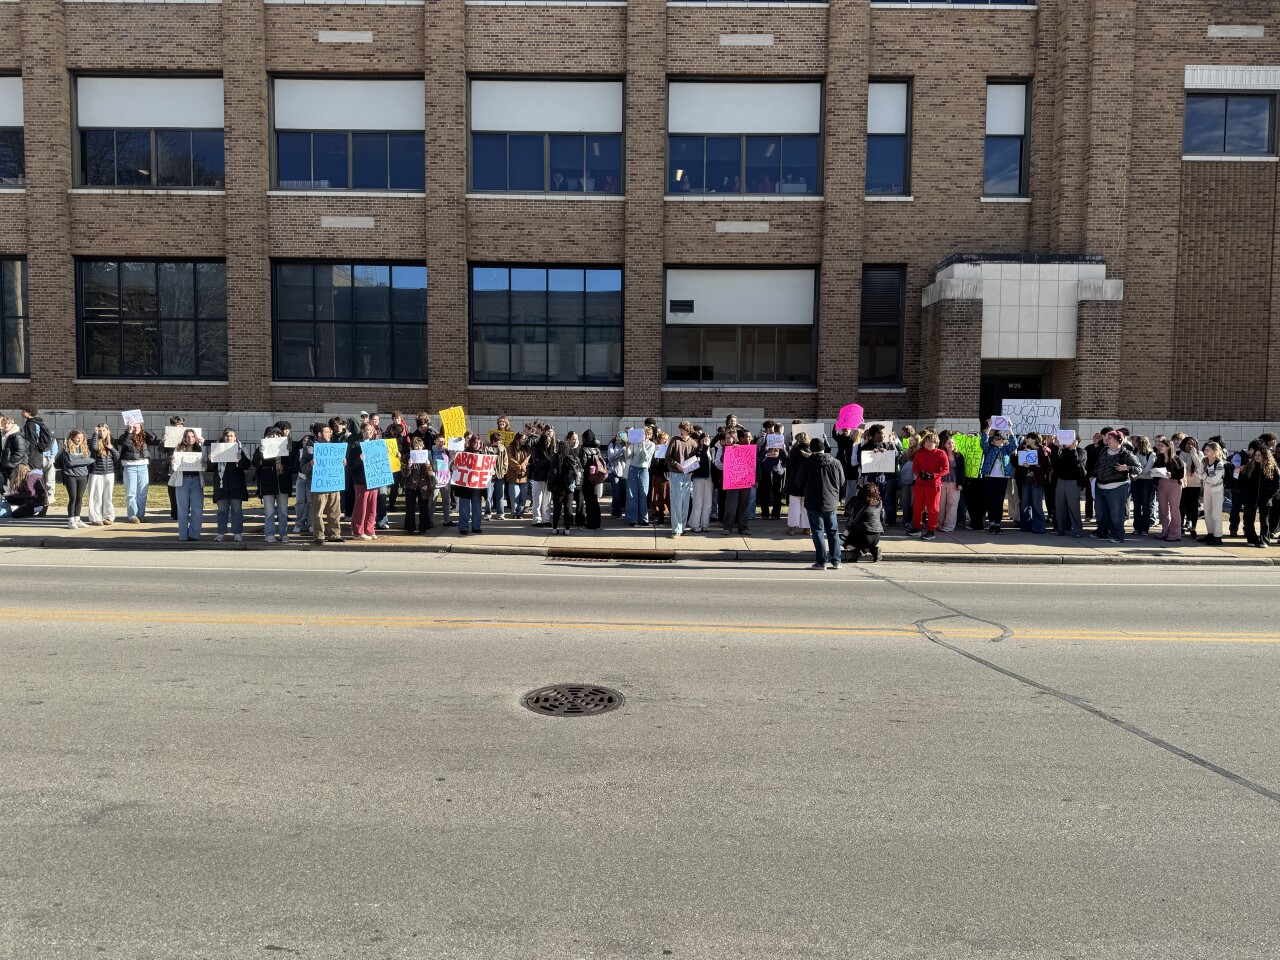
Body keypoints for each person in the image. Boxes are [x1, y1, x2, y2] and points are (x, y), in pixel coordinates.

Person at [1093, 430, 1141, 543]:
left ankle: (1118, 536)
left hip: (1117, 488)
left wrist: (1128, 468)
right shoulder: (1104, 450)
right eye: (1107, 438)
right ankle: (1102, 532)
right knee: (1100, 512)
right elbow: (1098, 465)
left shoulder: (1126, 454)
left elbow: (1139, 468)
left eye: (1110, 438)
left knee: (1116, 514)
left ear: (1118, 441)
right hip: (1100, 486)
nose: (1107, 440)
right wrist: (1093, 475)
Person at [804, 436, 844, 569]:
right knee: (833, 531)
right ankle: (836, 560)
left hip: (813, 502)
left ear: (811, 449)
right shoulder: (835, 462)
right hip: (831, 501)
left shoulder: (808, 462)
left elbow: (798, 481)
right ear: (824, 448)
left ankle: (821, 561)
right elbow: (842, 481)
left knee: (817, 531)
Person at [301, 424, 343, 544]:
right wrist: (310, 464)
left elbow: (337, 465)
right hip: (319, 485)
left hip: (333, 483)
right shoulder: (309, 448)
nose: (330, 434)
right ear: (319, 434)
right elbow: (302, 468)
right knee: (318, 512)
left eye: (330, 432)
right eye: (327, 432)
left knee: (335, 510)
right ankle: (319, 535)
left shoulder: (333, 448)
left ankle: (334, 534)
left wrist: (342, 463)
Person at [254, 426, 293, 543]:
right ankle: (269, 533)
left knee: (283, 511)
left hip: (282, 483)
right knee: (269, 511)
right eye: (270, 434)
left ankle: (283, 533)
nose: (273, 436)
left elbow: (292, 464)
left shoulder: (285, 449)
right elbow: (256, 464)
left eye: (276, 434)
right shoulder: (262, 448)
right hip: (267, 483)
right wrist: (261, 452)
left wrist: (288, 450)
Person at [211, 428, 250, 543]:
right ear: (224, 437)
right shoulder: (217, 449)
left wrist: (240, 459)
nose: (229, 438)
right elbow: (210, 467)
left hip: (236, 485)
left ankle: (237, 533)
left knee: (237, 510)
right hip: (221, 485)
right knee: (222, 511)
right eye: (227, 436)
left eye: (232, 436)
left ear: (235, 438)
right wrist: (211, 459)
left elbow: (247, 465)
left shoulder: (240, 449)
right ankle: (220, 533)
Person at [909, 430, 949, 540]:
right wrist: (920, 474)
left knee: (933, 508)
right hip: (920, 484)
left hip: (933, 485)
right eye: (926, 441)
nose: (927, 444)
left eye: (930, 442)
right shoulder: (920, 452)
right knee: (917, 507)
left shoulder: (941, 453)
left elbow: (946, 469)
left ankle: (931, 530)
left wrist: (933, 476)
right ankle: (917, 528)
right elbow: (915, 467)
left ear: (935, 443)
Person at [1237, 444, 1278, 548]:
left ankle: (1264, 540)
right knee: (1248, 519)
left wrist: (1269, 496)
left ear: (1265, 456)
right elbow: (1242, 481)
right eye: (1256, 455)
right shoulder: (1249, 467)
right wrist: (1244, 494)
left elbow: (1276, 485)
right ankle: (1252, 539)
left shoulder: (1273, 469)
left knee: (1264, 520)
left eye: (1260, 455)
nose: (1257, 457)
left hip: (1265, 499)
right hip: (1250, 498)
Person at [170, 428, 206, 542]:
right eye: (188, 437)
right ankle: (183, 536)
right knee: (182, 510)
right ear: (184, 438)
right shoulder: (179, 449)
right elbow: (174, 467)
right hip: (182, 481)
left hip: (196, 480)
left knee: (197, 509)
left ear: (195, 438)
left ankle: (194, 534)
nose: (190, 439)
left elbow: (205, 467)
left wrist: (203, 461)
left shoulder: (200, 449)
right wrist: (173, 462)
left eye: (192, 436)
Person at [348, 422, 381, 541]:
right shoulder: (356, 445)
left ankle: (369, 529)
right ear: (362, 431)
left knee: (372, 507)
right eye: (368, 430)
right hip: (361, 481)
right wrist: (359, 459)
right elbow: (351, 465)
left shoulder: (375, 444)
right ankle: (358, 531)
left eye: (372, 430)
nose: (370, 432)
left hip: (374, 479)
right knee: (361, 507)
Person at [119, 420, 157, 523]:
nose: (136, 429)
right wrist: (129, 431)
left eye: (138, 427)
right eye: (134, 427)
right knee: (131, 492)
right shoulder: (125, 436)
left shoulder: (143, 437)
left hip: (143, 466)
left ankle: (141, 515)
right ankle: (133, 516)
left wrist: (144, 430)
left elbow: (153, 438)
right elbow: (124, 443)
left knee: (142, 493)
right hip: (130, 467)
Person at [979, 428, 1015, 534]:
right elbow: (983, 441)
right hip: (990, 478)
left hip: (1002, 479)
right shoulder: (989, 448)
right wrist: (989, 427)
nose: (996, 441)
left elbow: (1014, 444)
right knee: (991, 501)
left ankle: (998, 524)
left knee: (999, 502)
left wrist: (1010, 429)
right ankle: (991, 524)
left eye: (998, 439)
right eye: (995, 439)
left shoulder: (1006, 450)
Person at [665, 421, 697, 538]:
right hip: (676, 474)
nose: (681, 431)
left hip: (687, 475)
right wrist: (675, 464)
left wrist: (695, 462)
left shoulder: (693, 443)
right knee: (676, 502)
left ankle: (682, 528)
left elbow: (695, 459)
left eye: (683, 429)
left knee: (685, 503)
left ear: (688, 430)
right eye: (680, 429)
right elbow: (667, 456)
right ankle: (676, 529)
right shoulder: (675, 440)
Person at [55, 429, 93, 529]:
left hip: (83, 475)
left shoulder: (85, 448)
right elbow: (70, 462)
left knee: (80, 498)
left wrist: (83, 460)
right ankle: (71, 520)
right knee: (73, 498)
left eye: (81, 438)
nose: (80, 439)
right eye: (77, 438)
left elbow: (90, 460)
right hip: (70, 476)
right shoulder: (67, 449)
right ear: (72, 437)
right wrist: (83, 460)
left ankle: (77, 518)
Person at [1051, 436, 1087, 537]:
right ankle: (1060, 529)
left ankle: (1077, 531)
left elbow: (1076, 462)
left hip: (1073, 482)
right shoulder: (1062, 450)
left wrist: (1073, 449)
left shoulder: (1081, 451)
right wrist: (1058, 447)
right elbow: (1054, 463)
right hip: (1061, 481)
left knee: (1074, 507)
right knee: (1059, 507)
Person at [1013, 433, 1049, 535]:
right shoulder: (1024, 448)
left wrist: (1031, 466)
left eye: (1028, 438)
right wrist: (1021, 455)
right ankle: (1026, 525)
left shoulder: (1043, 450)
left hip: (1037, 481)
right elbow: (1018, 463)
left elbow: (1044, 467)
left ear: (1034, 439)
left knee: (1036, 504)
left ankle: (1039, 527)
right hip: (1026, 480)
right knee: (1025, 503)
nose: (1026, 439)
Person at [549, 430, 583, 535]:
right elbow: (579, 471)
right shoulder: (573, 457)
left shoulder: (556, 458)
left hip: (558, 487)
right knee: (568, 507)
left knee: (557, 508)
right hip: (569, 486)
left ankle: (554, 529)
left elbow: (553, 473)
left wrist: (550, 484)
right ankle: (567, 529)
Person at [1152, 436, 1185, 542]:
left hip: (1174, 485)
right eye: (1159, 446)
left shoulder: (1176, 459)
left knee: (1174, 509)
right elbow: (1155, 471)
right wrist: (1154, 473)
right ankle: (1165, 531)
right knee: (1163, 510)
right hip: (1162, 484)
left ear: (1168, 447)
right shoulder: (1159, 459)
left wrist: (1172, 474)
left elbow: (1180, 474)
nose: (1159, 447)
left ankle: (1175, 534)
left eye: (1162, 446)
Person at [86, 423, 119, 526]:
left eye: (104, 430)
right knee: (96, 495)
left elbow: (117, 457)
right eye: (100, 431)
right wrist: (95, 435)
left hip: (109, 471)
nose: (102, 433)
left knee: (108, 496)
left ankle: (108, 516)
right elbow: (94, 448)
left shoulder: (112, 440)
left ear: (107, 431)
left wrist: (111, 448)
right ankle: (96, 517)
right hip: (96, 471)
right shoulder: (93, 440)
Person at [401, 436, 435, 535]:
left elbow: (430, 474)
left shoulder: (426, 456)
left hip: (423, 486)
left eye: (420, 446)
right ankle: (410, 528)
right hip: (411, 485)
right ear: (412, 447)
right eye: (416, 447)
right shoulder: (407, 456)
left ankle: (423, 528)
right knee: (410, 508)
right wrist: (409, 466)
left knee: (423, 508)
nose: (419, 448)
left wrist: (428, 465)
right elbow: (404, 473)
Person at [454, 434, 486, 535]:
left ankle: (476, 526)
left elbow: (486, 468)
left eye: (479, 443)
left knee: (477, 507)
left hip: (477, 486)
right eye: (476, 443)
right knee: (464, 507)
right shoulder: (463, 454)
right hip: (465, 486)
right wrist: (454, 467)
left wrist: (491, 472)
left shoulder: (483, 454)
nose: (477, 445)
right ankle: (463, 527)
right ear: (471, 443)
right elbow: (455, 465)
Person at [843, 483, 884, 563]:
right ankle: (874, 550)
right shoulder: (879, 502)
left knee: (842, 540)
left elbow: (847, 509)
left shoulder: (856, 500)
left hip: (862, 535)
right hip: (876, 536)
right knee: (865, 543)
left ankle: (857, 551)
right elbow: (882, 517)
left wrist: (856, 496)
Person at [624, 426, 655, 527]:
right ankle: (632, 519)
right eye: (644, 434)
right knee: (631, 494)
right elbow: (628, 456)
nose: (645, 436)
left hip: (643, 470)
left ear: (650, 435)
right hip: (633, 468)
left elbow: (646, 458)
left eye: (647, 434)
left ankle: (643, 519)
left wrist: (643, 446)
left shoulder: (651, 445)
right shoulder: (635, 443)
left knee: (643, 494)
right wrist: (628, 447)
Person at [1197, 441, 1227, 546]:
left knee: (1216, 513)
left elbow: (1215, 479)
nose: (1205, 451)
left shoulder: (1219, 463)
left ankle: (1217, 536)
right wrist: (1206, 477)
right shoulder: (1204, 461)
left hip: (1217, 489)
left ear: (1215, 451)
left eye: (1208, 450)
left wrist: (1205, 476)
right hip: (1207, 488)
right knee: (1208, 512)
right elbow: (1199, 474)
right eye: (1205, 449)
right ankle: (1210, 533)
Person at [785, 432, 812, 536]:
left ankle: (791, 528)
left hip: (796, 480)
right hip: (808, 481)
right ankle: (806, 528)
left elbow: (789, 464)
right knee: (806, 506)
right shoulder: (812, 450)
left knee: (794, 505)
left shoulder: (794, 450)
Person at [1129, 436, 1157, 536]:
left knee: (1145, 506)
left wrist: (1136, 474)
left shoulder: (1151, 454)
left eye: (1135, 441)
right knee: (1136, 506)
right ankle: (1136, 528)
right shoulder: (1134, 453)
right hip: (1136, 481)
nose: (1133, 443)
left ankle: (1145, 528)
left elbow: (1146, 470)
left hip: (1146, 482)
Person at [580, 429, 608, 531]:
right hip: (596, 478)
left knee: (589, 502)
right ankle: (597, 523)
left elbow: (582, 465)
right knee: (595, 501)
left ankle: (590, 524)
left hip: (587, 478)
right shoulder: (597, 449)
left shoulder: (584, 450)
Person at [938, 435, 965, 534]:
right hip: (941, 482)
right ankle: (939, 524)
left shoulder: (958, 456)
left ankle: (949, 526)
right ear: (944, 444)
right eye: (949, 443)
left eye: (953, 443)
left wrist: (960, 484)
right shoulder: (941, 454)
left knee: (952, 504)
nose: (951, 445)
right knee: (941, 504)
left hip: (954, 483)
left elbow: (962, 471)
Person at [529, 422, 554, 528]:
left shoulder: (551, 450)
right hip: (538, 477)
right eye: (547, 442)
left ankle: (546, 519)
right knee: (537, 500)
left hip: (548, 477)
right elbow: (536, 464)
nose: (548, 444)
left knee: (547, 500)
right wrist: (547, 460)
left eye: (549, 442)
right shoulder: (537, 449)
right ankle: (536, 519)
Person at [1179, 437, 1204, 538]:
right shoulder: (1180, 454)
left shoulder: (1199, 453)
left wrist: (1194, 454)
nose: (1190, 446)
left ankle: (1193, 528)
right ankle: (1180, 526)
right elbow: (1181, 466)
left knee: (1193, 507)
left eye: (1192, 444)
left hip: (1195, 484)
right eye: (1188, 444)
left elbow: (1199, 466)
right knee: (1182, 506)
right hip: (1184, 484)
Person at [689, 429, 713, 534]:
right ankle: (695, 525)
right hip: (698, 478)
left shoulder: (711, 450)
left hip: (709, 479)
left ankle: (705, 524)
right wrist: (705, 447)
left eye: (707, 439)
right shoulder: (698, 449)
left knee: (707, 503)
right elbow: (700, 459)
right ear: (700, 441)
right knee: (698, 502)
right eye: (703, 440)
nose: (705, 442)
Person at [163, 415, 186, 520]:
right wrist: (162, 442)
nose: (179, 427)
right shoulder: (168, 436)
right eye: (177, 425)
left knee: (184, 491)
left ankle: (184, 512)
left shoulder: (188, 436)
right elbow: (161, 450)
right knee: (172, 491)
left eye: (181, 425)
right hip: (172, 468)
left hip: (184, 467)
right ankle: (174, 513)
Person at [19, 405, 52, 472]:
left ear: (28, 413)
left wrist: (28, 455)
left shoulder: (30, 424)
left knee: (33, 474)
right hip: (38, 453)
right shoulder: (37, 422)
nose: (21, 412)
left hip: (33, 454)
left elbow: (31, 440)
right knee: (37, 473)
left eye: (23, 411)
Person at [506, 433, 530, 520]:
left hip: (524, 476)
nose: (524, 440)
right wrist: (519, 467)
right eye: (523, 439)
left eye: (525, 439)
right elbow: (510, 459)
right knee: (514, 495)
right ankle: (514, 512)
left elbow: (528, 458)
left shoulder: (527, 448)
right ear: (518, 439)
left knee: (523, 496)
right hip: (513, 475)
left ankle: (520, 512)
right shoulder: (511, 447)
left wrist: (522, 466)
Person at [649, 431, 670, 527]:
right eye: (662, 439)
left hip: (667, 476)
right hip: (658, 475)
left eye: (666, 439)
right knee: (659, 495)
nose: (664, 441)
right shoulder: (656, 448)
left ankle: (669, 515)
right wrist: (657, 454)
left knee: (668, 496)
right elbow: (653, 464)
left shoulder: (670, 449)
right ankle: (660, 515)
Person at [0, 415, 26, 490]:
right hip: (4, 464)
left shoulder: (16, 435)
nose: (6, 425)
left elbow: (21, 450)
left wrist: (12, 461)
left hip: (13, 465)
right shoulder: (4, 435)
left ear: (12, 423)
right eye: (4, 424)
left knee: (14, 485)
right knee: (4, 484)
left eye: (8, 423)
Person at [607, 431, 629, 519]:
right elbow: (610, 456)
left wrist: (626, 449)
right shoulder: (612, 445)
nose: (618, 438)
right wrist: (621, 450)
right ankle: (616, 512)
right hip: (613, 471)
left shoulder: (626, 446)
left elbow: (629, 457)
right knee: (616, 493)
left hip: (624, 472)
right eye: (617, 436)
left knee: (625, 492)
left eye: (620, 437)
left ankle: (625, 510)